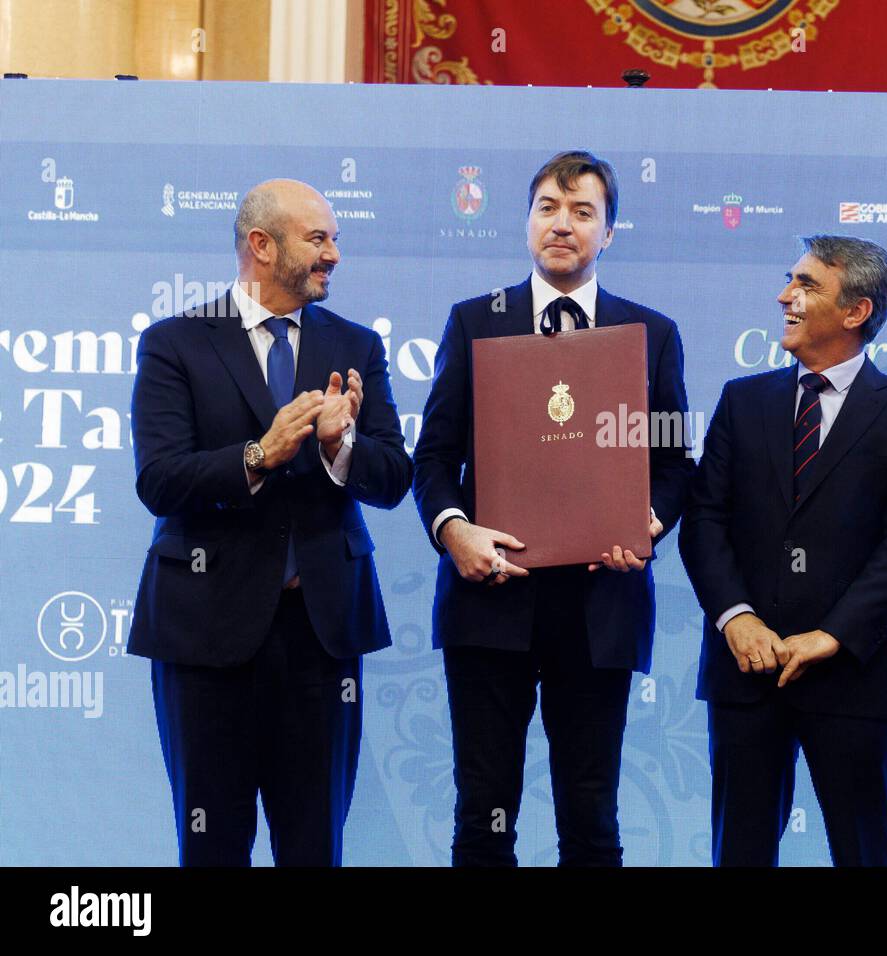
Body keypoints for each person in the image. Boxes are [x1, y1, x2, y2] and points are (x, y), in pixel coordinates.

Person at [412, 150, 694, 866]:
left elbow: (672, 462)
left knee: (591, 816)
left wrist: (647, 522)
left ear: (610, 233)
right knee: (484, 817)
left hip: (602, 603)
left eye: (581, 212)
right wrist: (455, 533)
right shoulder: (477, 321)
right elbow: (435, 459)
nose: (561, 225)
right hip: (490, 601)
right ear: (527, 222)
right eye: (547, 208)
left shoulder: (650, 334)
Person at [128, 179, 413, 866]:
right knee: (212, 846)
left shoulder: (355, 346)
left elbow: (395, 477)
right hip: (205, 638)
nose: (335, 254)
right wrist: (260, 454)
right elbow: (159, 481)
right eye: (318, 238)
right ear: (261, 245)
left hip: (320, 641)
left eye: (335, 238)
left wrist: (339, 447)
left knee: (314, 847)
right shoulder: (176, 344)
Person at [680, 235, 887, 866]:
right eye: (788, 281)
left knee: (866, 850)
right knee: (739, 853)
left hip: (852, 673)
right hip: (745, 672)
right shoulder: (743, 401)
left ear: (855, 312)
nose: (784, 296)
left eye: (805, 285)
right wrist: (736, 619)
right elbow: (704, 521)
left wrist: (831, 636)